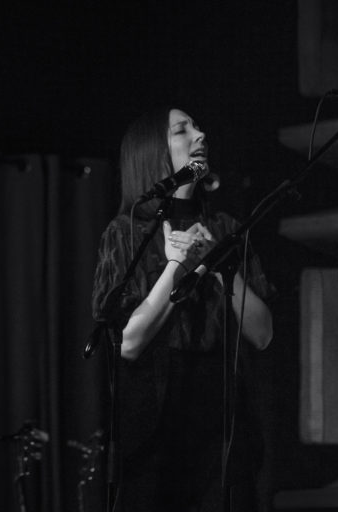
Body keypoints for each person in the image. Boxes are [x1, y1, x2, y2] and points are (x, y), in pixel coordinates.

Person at [92, 107, 274, 512]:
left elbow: (263, 334)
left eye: (198, 127)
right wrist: (175, 265)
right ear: (153, 151)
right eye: (182, 130)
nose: (200, 134)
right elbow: (127, 343)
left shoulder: (226, 228)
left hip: (219, 412)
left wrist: (221, 266)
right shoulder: (126, 233)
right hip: (152, 413)